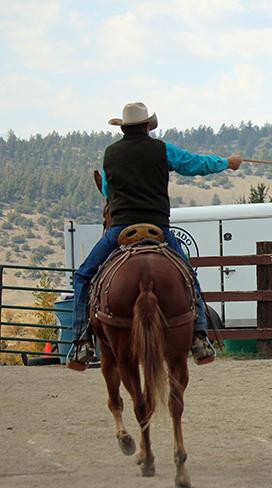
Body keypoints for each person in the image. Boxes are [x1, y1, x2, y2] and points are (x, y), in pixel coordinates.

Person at [67, 102, 242, 371]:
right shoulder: (163, 150)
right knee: (188, 275)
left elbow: (107, 191)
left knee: (82, 276)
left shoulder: (110, 154)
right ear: (148, 126)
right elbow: (194, 163)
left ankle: (81, 342)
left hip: (120, 230)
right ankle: (199, 336)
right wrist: (226, 163)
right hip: (159, 228)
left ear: (124, 127)